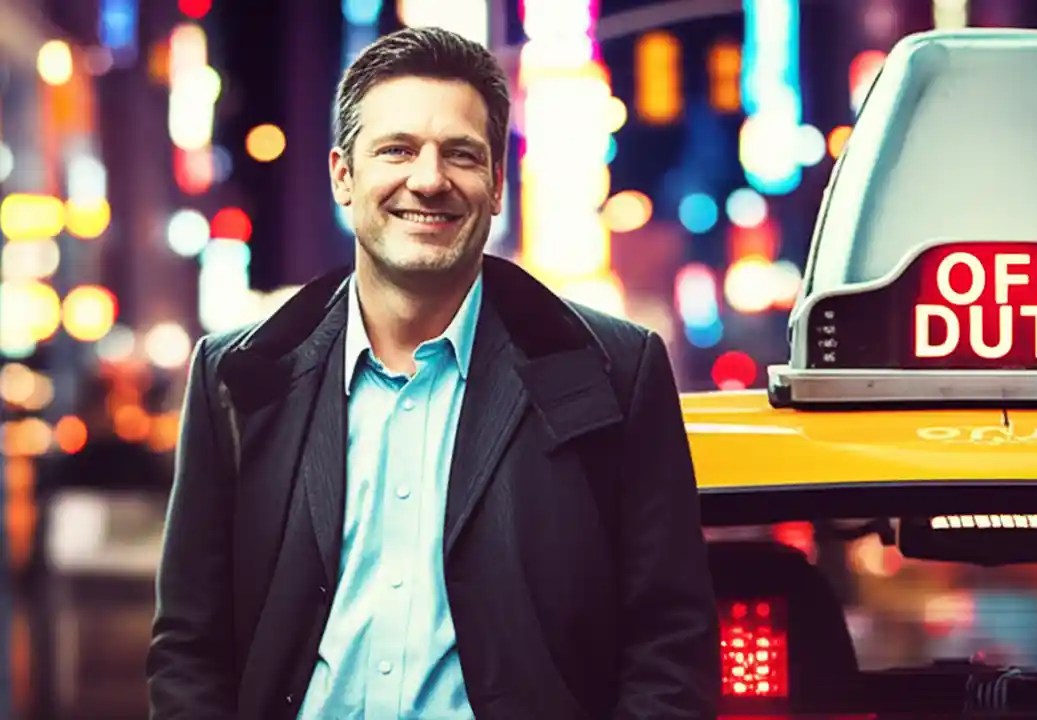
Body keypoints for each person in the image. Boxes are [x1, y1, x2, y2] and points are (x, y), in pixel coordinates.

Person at [146, 26, 720, 720]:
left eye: (461, 155)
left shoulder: (614, 373)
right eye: (397, 150)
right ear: (342, 176)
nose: (429, 178)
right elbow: (189, 649)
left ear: (498, 184)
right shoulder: (236, 378)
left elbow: (669, 644)